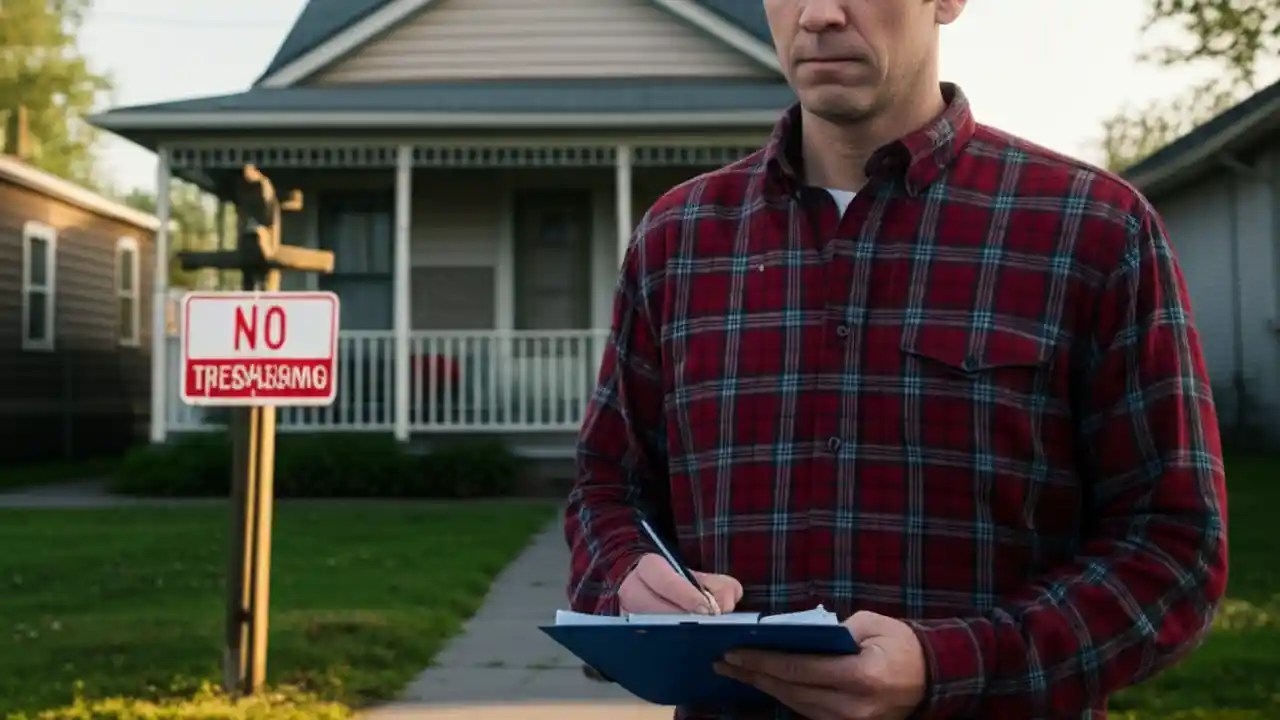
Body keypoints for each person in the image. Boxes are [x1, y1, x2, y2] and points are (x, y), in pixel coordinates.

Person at [564, 1, 1229, 718]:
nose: (819, 15)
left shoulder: (1092, 230)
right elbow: (609, 487)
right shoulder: (678, 240)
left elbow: (1172, 546)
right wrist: (627, 578)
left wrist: (952, 666)